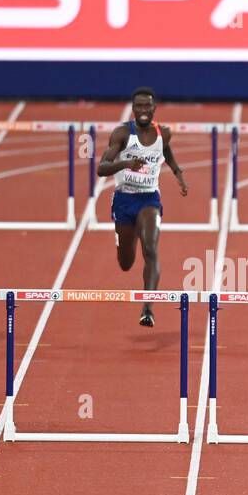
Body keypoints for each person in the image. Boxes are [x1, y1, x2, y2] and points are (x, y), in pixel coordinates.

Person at [97, 87, 187, 328]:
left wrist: (178, 174)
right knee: (126, 263)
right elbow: (101, 167)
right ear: (133, 108)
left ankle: (148, 307)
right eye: (139, 106)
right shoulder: (122, 134)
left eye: (147, 106)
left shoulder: (163, 133)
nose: (143, 110)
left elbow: (165, 151)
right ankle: (125, 237)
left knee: (151, 247)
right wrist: (126, 162)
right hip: (125, 199)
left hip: (149, 199)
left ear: (154, 108)